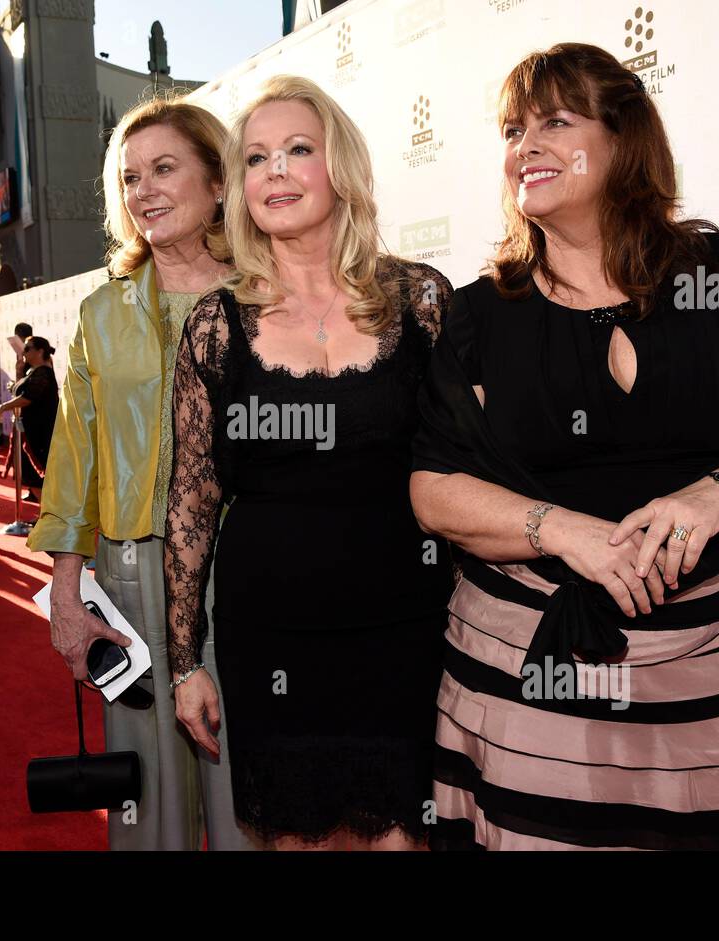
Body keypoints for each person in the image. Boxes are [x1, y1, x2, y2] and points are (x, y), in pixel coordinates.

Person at [409, 43, 719, 851]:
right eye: (512, 131)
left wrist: (718, 489)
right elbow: (435, 487)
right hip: (529, 685)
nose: (524, 148)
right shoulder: (481, 314)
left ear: (623, 139)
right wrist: (562, 531)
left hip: (705, 679)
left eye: (554, 123)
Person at [164, 75, 454, 850]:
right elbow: (192, 501)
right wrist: (186, 660)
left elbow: (466, 469)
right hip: (274, 633)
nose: (277, 171)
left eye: (298, 149)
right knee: (298, 838)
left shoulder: (421, 300)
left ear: (342, 167)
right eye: (256, 158)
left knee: (407, 835)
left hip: (410, 625)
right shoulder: (216, 326)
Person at [27, 95, 253, 851]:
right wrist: (65, 593)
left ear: (219, 183)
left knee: (243, 789)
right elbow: (74, 460)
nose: (144, 190)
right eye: (129, 178)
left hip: (246, 565)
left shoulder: (266, 296)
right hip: (130, 575)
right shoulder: (101, 311)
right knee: (147, 803)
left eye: (164, 168)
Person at [0, 336, 56, 502]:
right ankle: (46, 518)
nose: (23, 352)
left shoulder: (43, 372)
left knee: (39, 476)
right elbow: (22, 392)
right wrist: (19, 372)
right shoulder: (34, 372)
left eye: (27, 349)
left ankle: (49, 519)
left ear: (40, 351)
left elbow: (29, 397)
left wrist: (3, 407)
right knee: (32, 476)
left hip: (39, 433)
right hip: (30, 432)